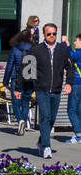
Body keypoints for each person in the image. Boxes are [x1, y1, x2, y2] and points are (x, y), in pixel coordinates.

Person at [24, 21, 73, 159]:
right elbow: (27, 70)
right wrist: (25, 86)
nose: (52, 36)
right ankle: (46, 147)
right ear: (44, 34)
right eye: (49, 34)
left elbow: (70, 67)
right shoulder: (36, 49)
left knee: (51, 119)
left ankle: (40, 141)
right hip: (41, 89)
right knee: (45, 118)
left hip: (56, 90)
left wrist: (68, 83)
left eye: (54, 34)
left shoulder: (63, 50)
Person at [1, 29, 35, 136]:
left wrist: (5, 81)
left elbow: (10, 66)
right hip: (30, 79)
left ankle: (20, 120)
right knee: (25, 102)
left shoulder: (15, 50)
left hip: (16, 79)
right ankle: (23, 124)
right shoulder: (34, 49)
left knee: (16, 102)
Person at [67, 34, 81, 144]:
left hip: (76, 84)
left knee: (71, 110)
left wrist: (66, 45)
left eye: (76, 41)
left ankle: (78, 134)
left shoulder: (78, 53)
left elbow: (69, 56)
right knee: (79, 110)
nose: (75, 43)